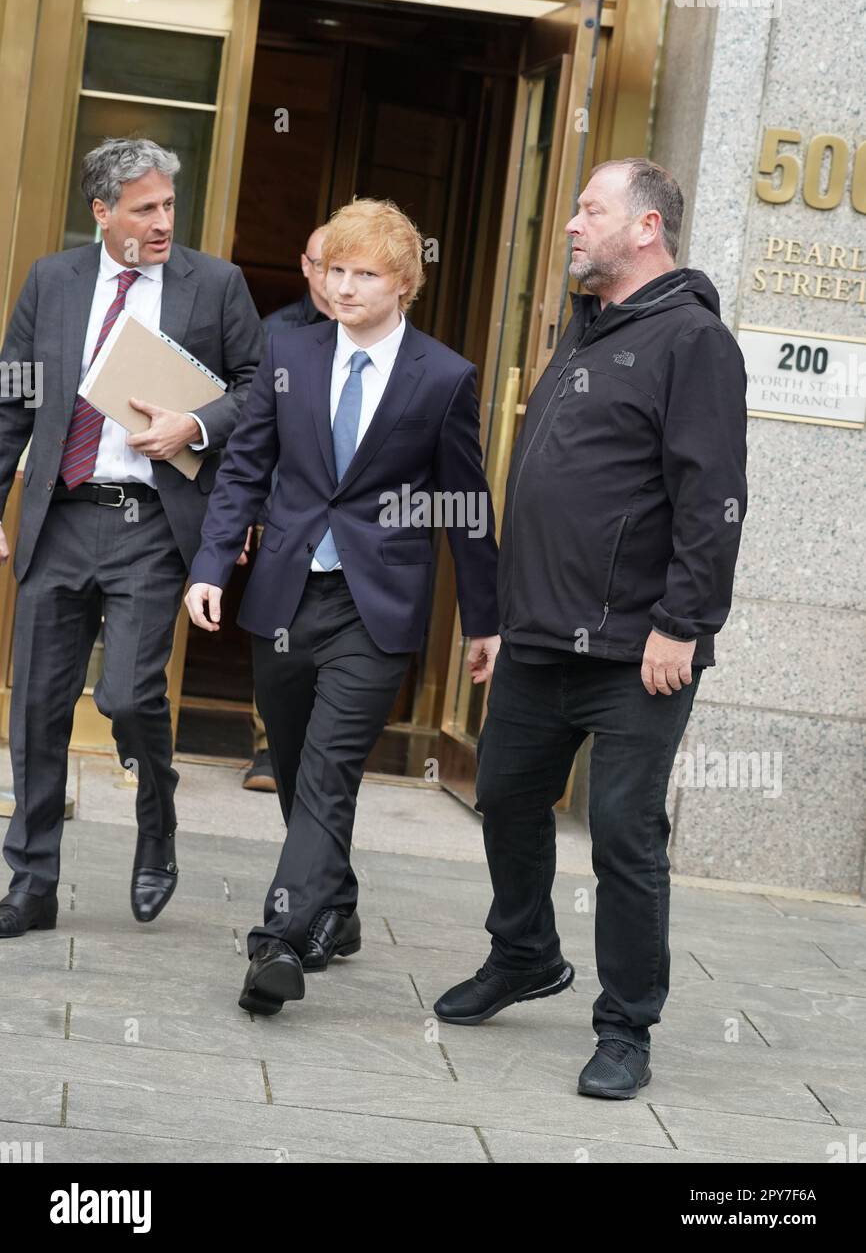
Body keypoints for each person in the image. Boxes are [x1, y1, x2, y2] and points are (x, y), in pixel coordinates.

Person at [434, 158, 748, 1100]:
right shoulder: (584, 330)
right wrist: (497, 618)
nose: (571, 224)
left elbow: (713, 497)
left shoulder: (694, 342)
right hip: (539, 635)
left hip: (638, 650)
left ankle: (627, 1027)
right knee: (504, 793)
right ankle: (526, 951)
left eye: (591, 210)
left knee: (620, 829)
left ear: (646, 228)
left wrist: (682, 626)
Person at [185, 197, 500, 1014]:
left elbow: (466, 504)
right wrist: (212, 565)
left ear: (404, 284)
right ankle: (341, 905)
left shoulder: (443, 376)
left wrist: (486, 617)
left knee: (327, 773)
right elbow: (246, 469)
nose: (345, 286)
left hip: (377, 606)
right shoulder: (286, 351)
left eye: (365, 274)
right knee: (295, 770)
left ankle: (278, 942)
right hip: (286, 597)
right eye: (335, 270)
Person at [0, 137, 263, 938]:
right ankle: (32, 878)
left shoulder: (213, 285)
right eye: (143, 208)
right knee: (37, 706)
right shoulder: (54, 280)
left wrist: (197, 422)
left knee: (125, 694)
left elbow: (260, 387)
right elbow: (15, 390)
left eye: (168, 207)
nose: (160, 223)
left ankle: (157, 810)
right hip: (61, 515)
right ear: (102, 212)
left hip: (152, 522)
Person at [242, 225, 331, 793]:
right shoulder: (274, 335)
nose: (334, 278)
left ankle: (319, 746)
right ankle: (267, 748)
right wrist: (252, 513)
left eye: (348, 265)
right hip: (282, 513)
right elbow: (254, 438)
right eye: (324, 264)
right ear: (304, 265)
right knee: (278, 627)